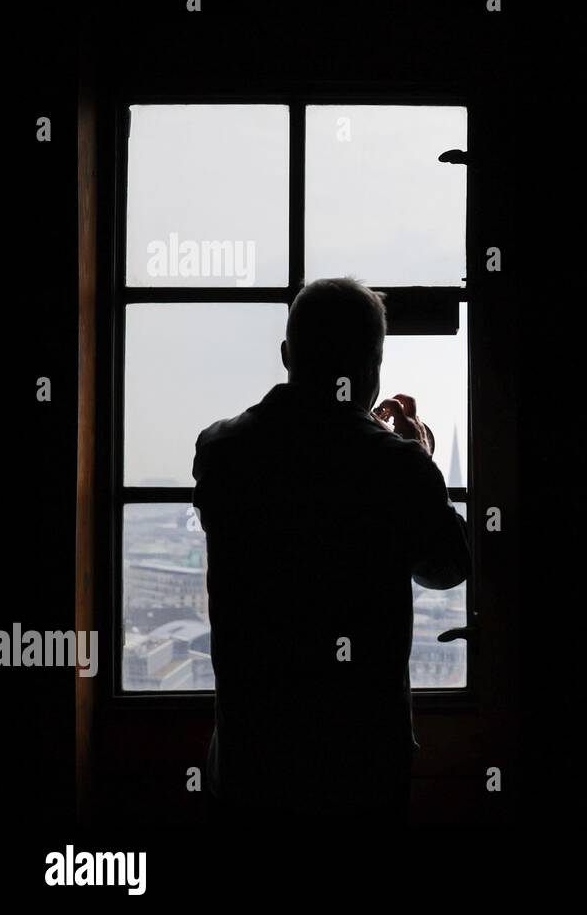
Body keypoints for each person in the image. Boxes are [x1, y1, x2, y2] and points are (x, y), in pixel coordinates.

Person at [192, 277, 469, 824]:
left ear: (287, 354)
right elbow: (447, 568)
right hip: (361, 764)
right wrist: (419, 458)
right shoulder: (395, 467)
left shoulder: (221, 450)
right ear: (374, 363)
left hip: (252, 757)